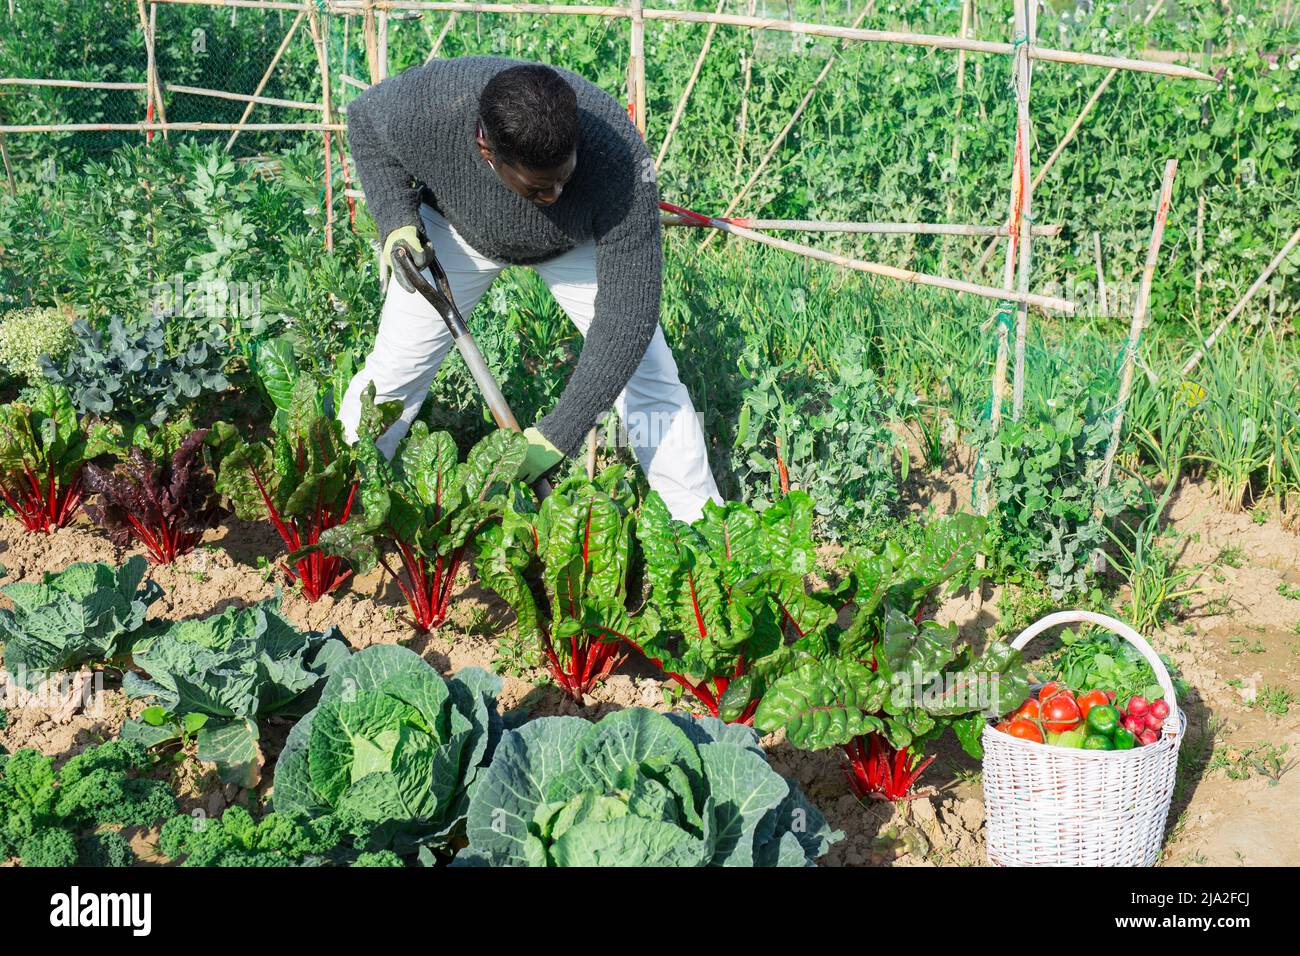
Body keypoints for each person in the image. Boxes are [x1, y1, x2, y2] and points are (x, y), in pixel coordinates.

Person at [339, 56, 721, 522]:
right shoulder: (432, 102)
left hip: (569, 243)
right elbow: (365, 122)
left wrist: (560, 433)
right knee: (395, 372)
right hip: (457, 230)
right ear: (486, 150)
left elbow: (627, 314)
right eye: (540, 187)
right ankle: (344, 506)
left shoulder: (618, 157)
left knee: (651, 378)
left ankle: (700, 528)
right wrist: (396, 220)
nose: (556, 194)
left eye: (565, 176)